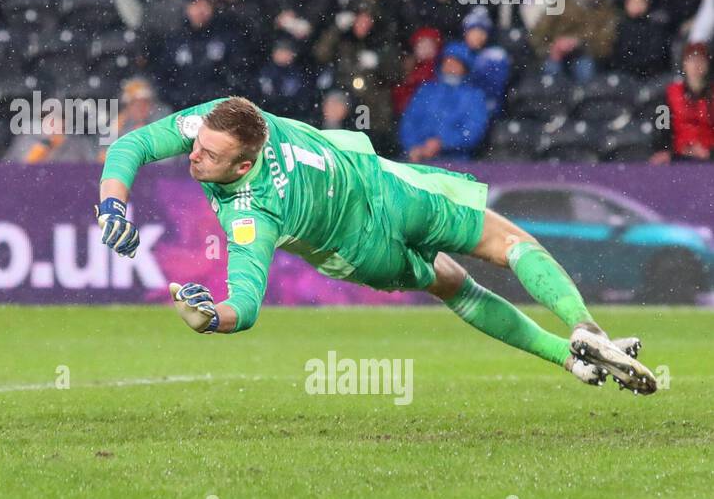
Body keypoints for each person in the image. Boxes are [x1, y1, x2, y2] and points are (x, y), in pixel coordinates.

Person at [94, 96, 655, 393]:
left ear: (244, 162)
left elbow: (244, 303)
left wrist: (210, 319)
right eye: (197, 149)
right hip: (388, 189)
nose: (194, 156)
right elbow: (140, 142)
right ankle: (585, 329)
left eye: (208, 156)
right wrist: (115, 202)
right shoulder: (238, 130)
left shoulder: (251, 213)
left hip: (364, 253)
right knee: (508, 242)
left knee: (456, 286)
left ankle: (570, 358)